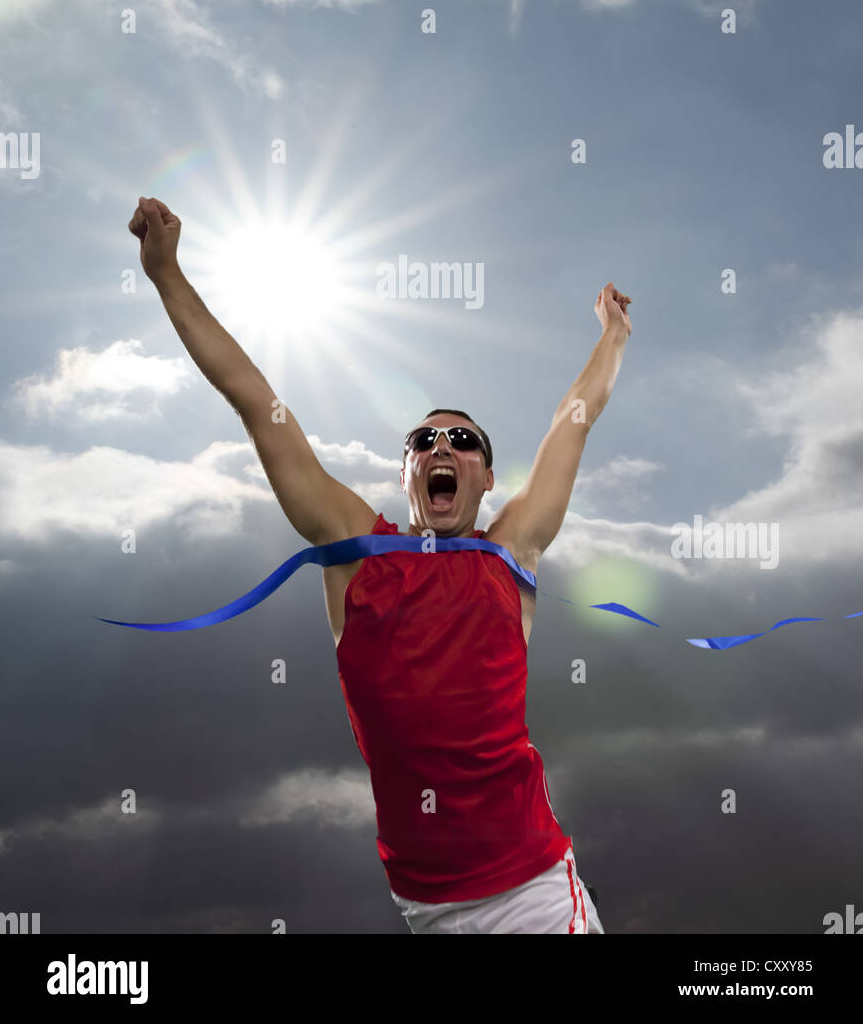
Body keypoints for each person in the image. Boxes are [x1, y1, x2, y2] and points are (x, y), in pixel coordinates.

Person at [128, 195, 632, 933]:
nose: (443, 450)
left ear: (487, 480)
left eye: (463, 443)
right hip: (423, 906)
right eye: (424, 442)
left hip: (532, 892)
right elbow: (251, 395)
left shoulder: (509, 554)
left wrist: (614, 335)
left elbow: (573, 421)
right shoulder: (354, 553)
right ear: (406, 477)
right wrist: (166, 274)